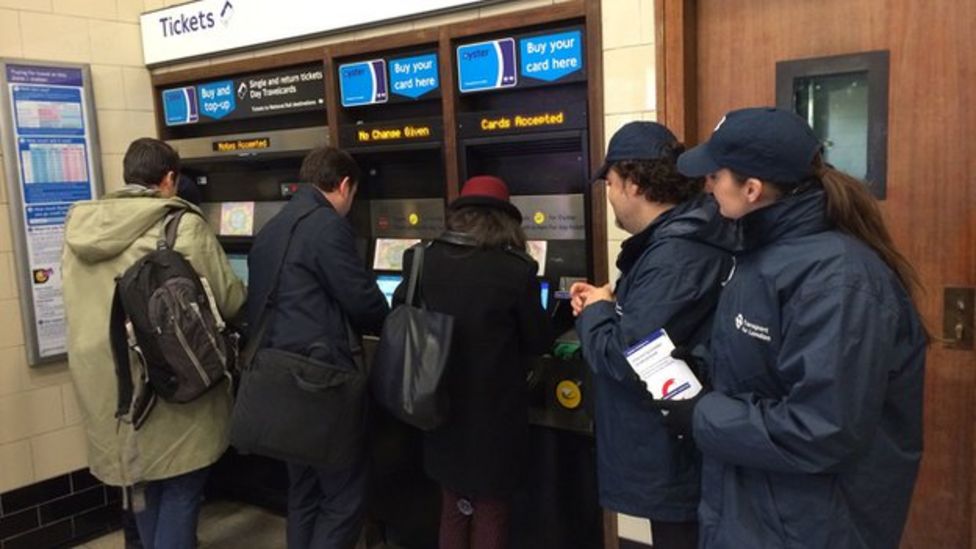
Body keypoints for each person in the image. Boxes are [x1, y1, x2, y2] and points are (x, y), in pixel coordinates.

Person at [664, 107, 927, 548]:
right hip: (751, 509)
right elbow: (765, 370)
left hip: (810, 524)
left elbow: (824, 427)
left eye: (715, 174)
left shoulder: (839, 281)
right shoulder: (759, 254)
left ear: (751, 189)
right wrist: (699, 368)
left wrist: (703, 415)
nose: (706, 185)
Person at [62, 137, 246, 549]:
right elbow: (230, 300)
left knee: (142, 489)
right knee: (181, 486)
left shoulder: (80, 230)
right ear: (169, 179)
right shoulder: (180, 224)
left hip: (108, 389)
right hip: (169, 386)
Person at [569, 122, 732, 549]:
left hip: (674, 452)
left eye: (610, 181)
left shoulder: (677, 254)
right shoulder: (676, 241)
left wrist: (597, 312)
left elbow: (625, 357)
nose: (608, 194)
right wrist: (605, 304)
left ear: (633, 183)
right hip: (675, 445)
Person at [393, 176, 553, 549]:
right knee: (491, 509)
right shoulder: (517, 269)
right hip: (494, 416)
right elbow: (538, 339)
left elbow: (401, 310)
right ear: (506, 222)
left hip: (437, 407)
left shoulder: (421, 258)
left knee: (452, 505)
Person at [246, 146, 389, 549]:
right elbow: (362, 300)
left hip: (280, 379)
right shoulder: (326, 226)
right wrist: (390, 316)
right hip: (319, 382)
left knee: (304, 491)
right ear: (344, 185)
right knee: (345, 495)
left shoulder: (275, 226)